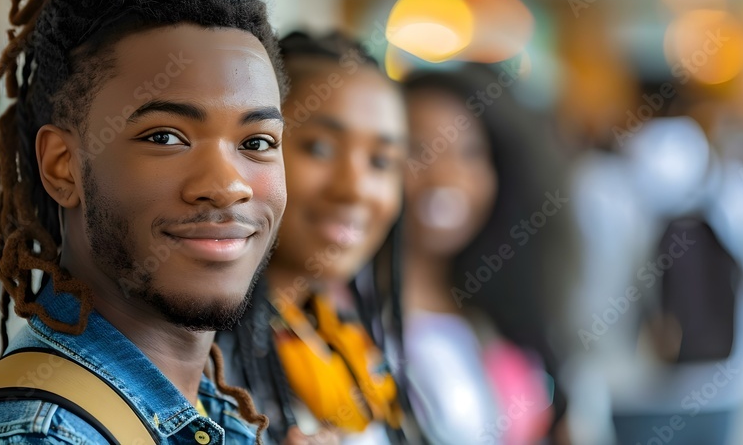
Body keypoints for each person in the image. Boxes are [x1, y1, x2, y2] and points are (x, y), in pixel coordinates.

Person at [0, 0, 288, 443]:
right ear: (63, 166)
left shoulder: (210, 413)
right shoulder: (41, 437)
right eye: (164, 137)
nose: (228, 186)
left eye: (257, 142)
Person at [218, 31, 413, 444]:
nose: (355, 188)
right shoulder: (206, 358)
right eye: (321, 149)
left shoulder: (341, 338)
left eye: (381, 161)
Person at [399, 67, 559, 445]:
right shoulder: (340, 316)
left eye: (470, 153)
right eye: (417, 149)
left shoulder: (501, 308)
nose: (445, 176)